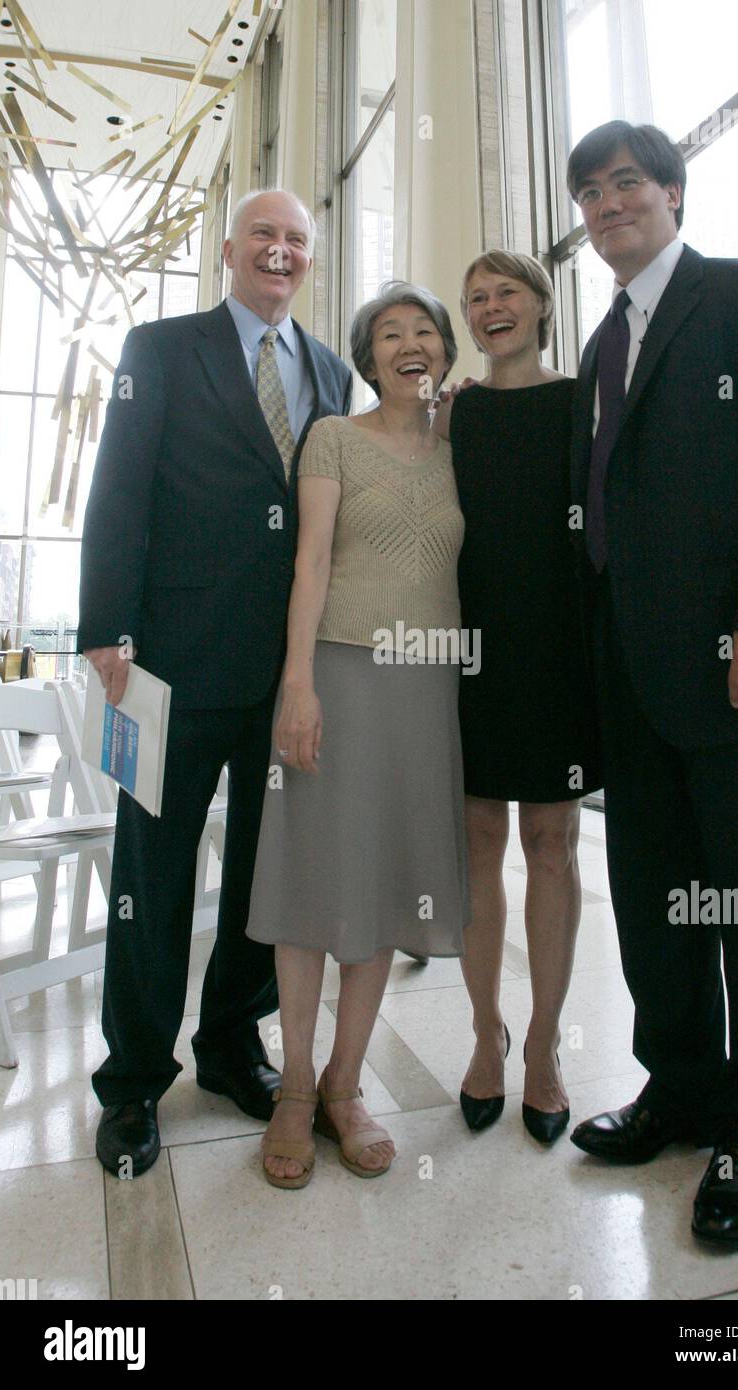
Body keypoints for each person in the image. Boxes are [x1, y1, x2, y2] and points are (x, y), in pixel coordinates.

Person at [565, 120, 738, 1246]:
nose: (605, 205)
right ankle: (678, 1087)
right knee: (654, 901)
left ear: (672, 192)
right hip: (633, 687)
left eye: (624, 183)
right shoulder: (598, 346)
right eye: (587, 193)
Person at [77, 189, 352, 1178]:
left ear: (306, 261)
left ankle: (231, 1040)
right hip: (167, 662)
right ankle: (133, 1079)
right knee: (149, 876)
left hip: (285, 673)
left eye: (296, 242)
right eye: (264, 237)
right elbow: (119, 488)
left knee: (264, 873)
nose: (279, 252)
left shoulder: (329, 369)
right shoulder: (159, 349)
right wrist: (108, 631)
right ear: (229, 248)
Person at [245, 280, 470, 1189]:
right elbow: (308, 564)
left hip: (428, 687)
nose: (409, 344)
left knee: (382, 884)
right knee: (312, 876)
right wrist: (296, 685)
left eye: (425, 331)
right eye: (389, 334)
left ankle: (346, 1083)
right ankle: (295, 1086)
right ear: (366, 355)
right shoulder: (334, 437)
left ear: (446, 352)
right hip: (337, 672)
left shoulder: (464, 448)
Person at [434, 251, 600, 1144]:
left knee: (551, 840)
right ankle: (483, 1034)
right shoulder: (453, 415)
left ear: (541, 304)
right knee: (478, 839)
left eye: (506, 293)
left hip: (557, 649)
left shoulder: (580, 405)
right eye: (476, 299)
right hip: (469, 648)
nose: (491, 308)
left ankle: (542, 1044)